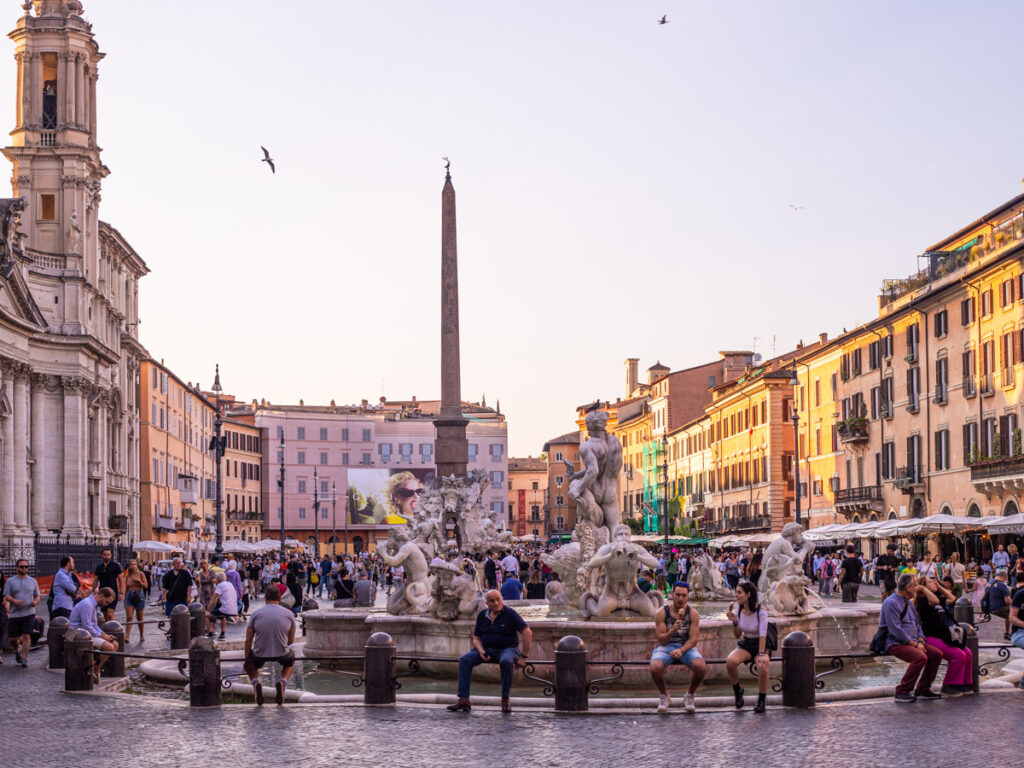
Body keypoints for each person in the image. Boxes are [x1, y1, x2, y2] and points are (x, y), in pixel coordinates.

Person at [447, 589, 532, 713]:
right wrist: (481, 651)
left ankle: (505, 698)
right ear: (487, 603)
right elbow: (476, 638)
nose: (496, 603)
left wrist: (524, 656)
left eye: (498, 600)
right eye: (492, 601)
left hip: (507, 649)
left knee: (506, 662)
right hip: (486, 649)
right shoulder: (482, 615)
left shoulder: (510, 614)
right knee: (464, 660)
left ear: (502, 599)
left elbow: (527, 632)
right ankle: (463, 699)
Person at [881, 573, 943, 703]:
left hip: (913, 642)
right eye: (915, 585)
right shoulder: (890, 603)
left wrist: (920, 640)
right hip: (895, 642)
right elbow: (895, 629)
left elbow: (917, 624)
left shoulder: (909, 603)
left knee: (937, 654)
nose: (918, 588)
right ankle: (902, 691)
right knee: (920, 657)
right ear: (908, 587)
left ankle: (923, 688)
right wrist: (914, 645)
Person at [650, 582, 706, 713]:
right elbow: (661, 640)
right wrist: (672, 631)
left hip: (685, 647)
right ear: (672, 595)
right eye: (678, 595)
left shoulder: (693, 613)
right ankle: (664, 695)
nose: (681, 598)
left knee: (701, 667)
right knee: (654, 668)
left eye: (684, 595)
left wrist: (682, 650)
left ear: (688, 597)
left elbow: (693, 639)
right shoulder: (661, 613)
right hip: (666, 647)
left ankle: (690, 695)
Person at [914, 575, 973, 696]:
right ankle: (949, 685)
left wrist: (939, 586)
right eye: (930, 582)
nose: (934, 583)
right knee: (958, 655)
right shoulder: (923, 601)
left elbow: (952, 598)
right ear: (923, 587)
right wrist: (924, 589)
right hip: (931, 637)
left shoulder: (937, 598)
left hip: (944, 636)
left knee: (968, 653)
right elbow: (934, 601)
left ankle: (964, 684)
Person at [243, 585, 297, 705]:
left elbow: (248, 640)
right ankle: (283, 682)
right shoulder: (289, 614)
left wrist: (247, 659)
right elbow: (291, 641)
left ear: (265, 597)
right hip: (282, 653)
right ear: (280, 598)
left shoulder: (255, 614)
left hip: (259, 654)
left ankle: (256, 682)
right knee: (291, 661)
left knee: (251, 665)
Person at [725, 581, 771, 713]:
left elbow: (763, 634)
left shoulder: (760, 611)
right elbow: (738, 635)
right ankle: (738, 691)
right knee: (730, 662)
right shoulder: (739, 610)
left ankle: (761, 699)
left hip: (761, 644)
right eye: (736, 592)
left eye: (739, 593)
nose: (737, 596)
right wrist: (734, 622)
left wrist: (762, 654)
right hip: (746, 644)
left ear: (748, 594)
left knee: (762, 666)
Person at [69, 587, 117, 683]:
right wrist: (104, 637)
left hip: (85, 634)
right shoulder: (88, 604)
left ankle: (96, 667)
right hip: (77, 635)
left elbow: (94, 625)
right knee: (110, 648)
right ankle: (94, 667)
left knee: (115, 644)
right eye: (107, 602)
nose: (106, 605)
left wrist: (105, 635)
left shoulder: (92, 604)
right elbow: (87, 626)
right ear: (102, 596)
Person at [3, 559, 39, 667]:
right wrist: (15, 601)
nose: (24, 569)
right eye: (22, 567)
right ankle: (17, 648)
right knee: (13, 639)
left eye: (26, 567)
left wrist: (35, 602)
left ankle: (24, 658)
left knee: (27, 636)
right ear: (17, 568)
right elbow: (6, 595)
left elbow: (37, 595)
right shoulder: (10, 581)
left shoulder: (33, 581)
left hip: (29, 613)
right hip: (15, 614)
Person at [93, 548, 124, 623]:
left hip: (112, 593)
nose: (107, 556)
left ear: (111, 555)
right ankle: (108, 632)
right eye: (105, 555)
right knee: (105, 616)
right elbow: (95, 580)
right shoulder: (99, 567)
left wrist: (121, 592)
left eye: (108, 555)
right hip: (102, 593)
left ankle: (113, 629)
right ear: (102, 555)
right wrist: (93, 591)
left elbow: (120, 579)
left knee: (110, 614)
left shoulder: (115, 566)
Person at [123, 559, 149, 644]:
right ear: (129, 566)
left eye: (134, 564)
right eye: (131, 564)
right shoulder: (127, 576)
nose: (133, 566)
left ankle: (141, 635)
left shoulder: (141, 574)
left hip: (139, 596)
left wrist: (139, 582)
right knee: (129, 618)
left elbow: (146, 586)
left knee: (139, 618)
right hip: (130, 596)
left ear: (137, 566)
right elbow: (126, 589)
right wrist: (125, 599)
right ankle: (127, 636)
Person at [206, 572, 238, 639]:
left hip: (226, 609)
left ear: (217, 580)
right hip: (234, 610)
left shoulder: (220, 585)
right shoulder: (230, 584)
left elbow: (214, 598)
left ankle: (210, 633)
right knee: (222, 616)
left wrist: (208, 610)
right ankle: (222, 634)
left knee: (206, 615)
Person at [985, 569, 1012, 640]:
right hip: (998, 608)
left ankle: (1007, 633)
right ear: (1003, 577)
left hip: (988, 607)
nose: (1004, 581)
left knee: (1009, 614)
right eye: (1005, 579)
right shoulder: (1001, 585)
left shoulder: (989, 582)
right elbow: (1008, 601)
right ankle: (1015, 634)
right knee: (1017, 613)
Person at [51, 556, 80, 620]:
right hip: (61, 607)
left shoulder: (68, 574)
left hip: (67, 606)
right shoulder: (61, 574)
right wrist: (76, 588)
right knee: (63, 628)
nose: (74, 564)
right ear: (68, 564)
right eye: (73, 562)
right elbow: (73, 589)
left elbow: (75, 590)